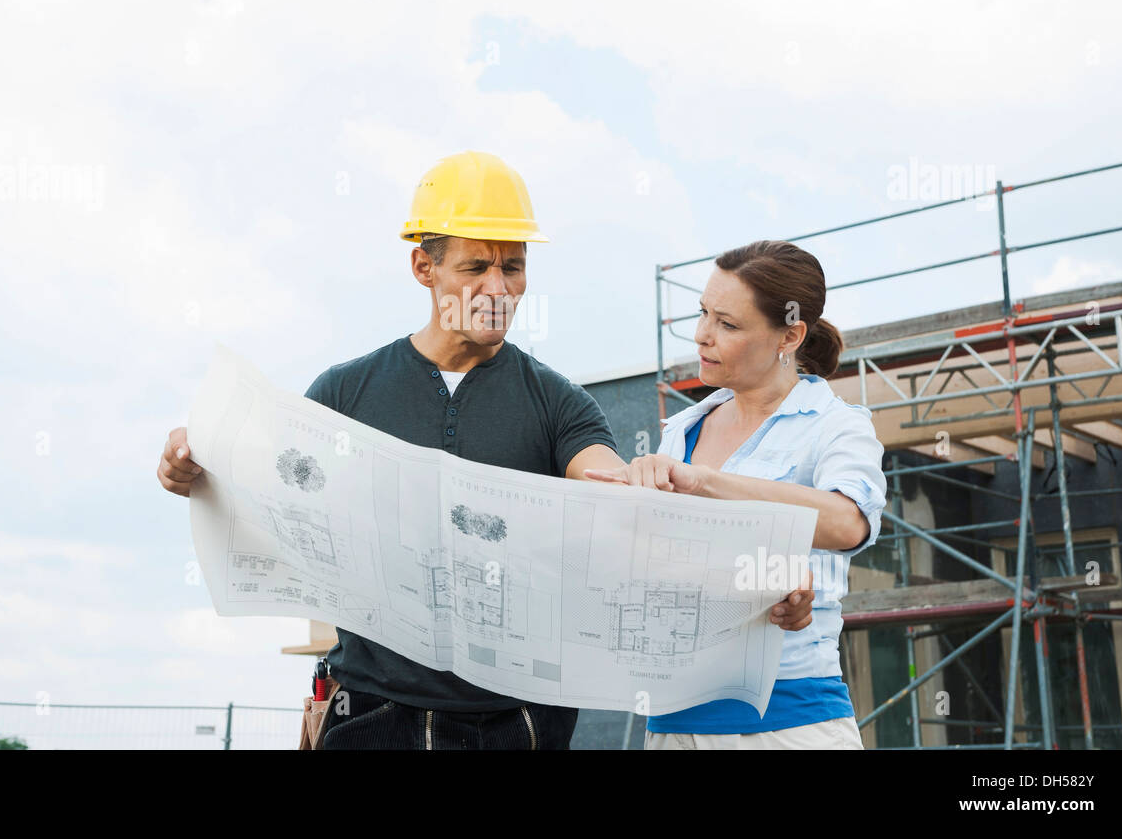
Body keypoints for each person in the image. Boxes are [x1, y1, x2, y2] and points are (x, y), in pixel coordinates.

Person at [157, 153, 815, 749]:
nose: (498, 289)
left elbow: (614, 498)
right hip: (373, 716)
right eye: (476, 266)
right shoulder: (343, 394)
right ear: (424, 266)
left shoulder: (558, 403)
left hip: (519, 722)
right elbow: (267, 484)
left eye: (514, 266)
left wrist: (754, 578)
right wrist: (193, 463)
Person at [586, 239, 886, 750]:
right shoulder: (683, 430)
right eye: (703, 313)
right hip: (673, 721)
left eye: (728, 324)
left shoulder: (837, 426)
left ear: (788, 336)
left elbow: (847, 523)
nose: (702, 335)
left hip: (788, 724)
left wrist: (705, 483)